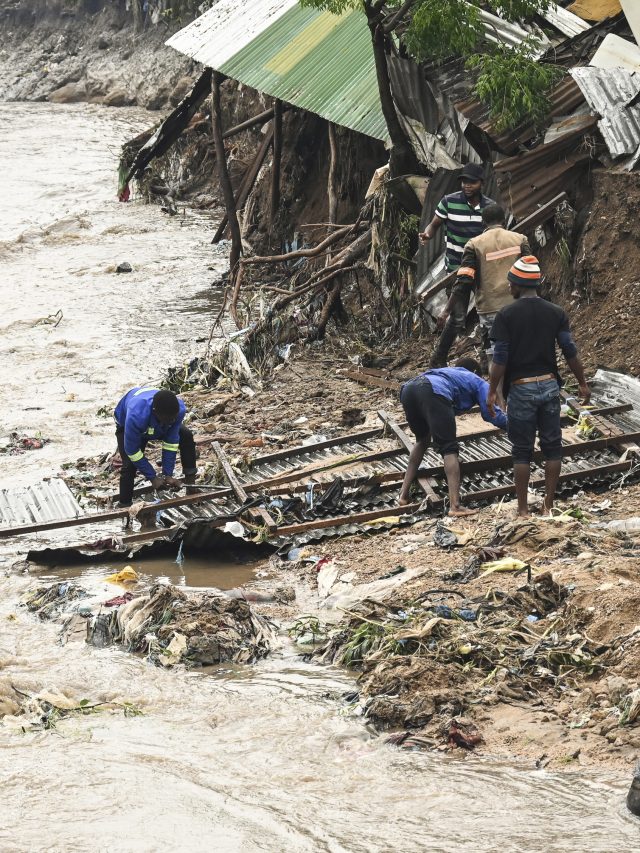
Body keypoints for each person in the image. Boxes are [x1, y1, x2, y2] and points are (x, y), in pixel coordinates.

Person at [487, 256, 590, 518]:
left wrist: (492, 391)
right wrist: (582, 382)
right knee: (552, 447)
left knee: (522, 452)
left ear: (517, 285)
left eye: (510, 283)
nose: (509, 287)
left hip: (521, 388)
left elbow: (500, 359)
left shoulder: (506, 315)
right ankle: (548, 506)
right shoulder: (556, 312)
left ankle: (522, 510)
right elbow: (569, 350)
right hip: (549, 386)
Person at [398, 358, 507, 516]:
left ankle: (403, 496)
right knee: (449, 448)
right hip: (433, 390)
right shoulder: (475, 379)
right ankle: (455, 506)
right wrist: (514, 425)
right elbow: (490, 413)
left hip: (408, 389)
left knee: (422, 440)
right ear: (475, 372)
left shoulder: (448, 373)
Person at [419, 163, 494, 367]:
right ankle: (438, 359)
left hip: (482, 270)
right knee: (457, 317)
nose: (467, 186)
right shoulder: (449, 202)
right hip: (455, 270)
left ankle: (486, 359)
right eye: (464, 182)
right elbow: (434, 224)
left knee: (486, 314)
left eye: (472, 182)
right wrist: (427, 235)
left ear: (481, 183)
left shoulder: (489, 208)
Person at [443, 204, 530, 369]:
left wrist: (447, 310)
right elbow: (531, 271)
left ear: (483, 222)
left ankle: (498, 385)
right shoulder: (520, 239)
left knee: (495, 356)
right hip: (519, 305)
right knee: (523, 349)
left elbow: (464, 281)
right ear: (503, 220)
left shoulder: (473, 245)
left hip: (490, 308)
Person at [114, 386, 197, 507]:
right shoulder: (136, 415)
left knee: (186, 436)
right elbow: (132, 451)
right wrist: (152, 477)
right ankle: (124, 505)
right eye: (168, 420)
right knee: (129, 465)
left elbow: (171, 443)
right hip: (128, 422)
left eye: (173, 419)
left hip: (157, 423)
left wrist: (167, 475)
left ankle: (191, 487)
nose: (171, 422)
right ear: (154, 411)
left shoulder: (178, 411)